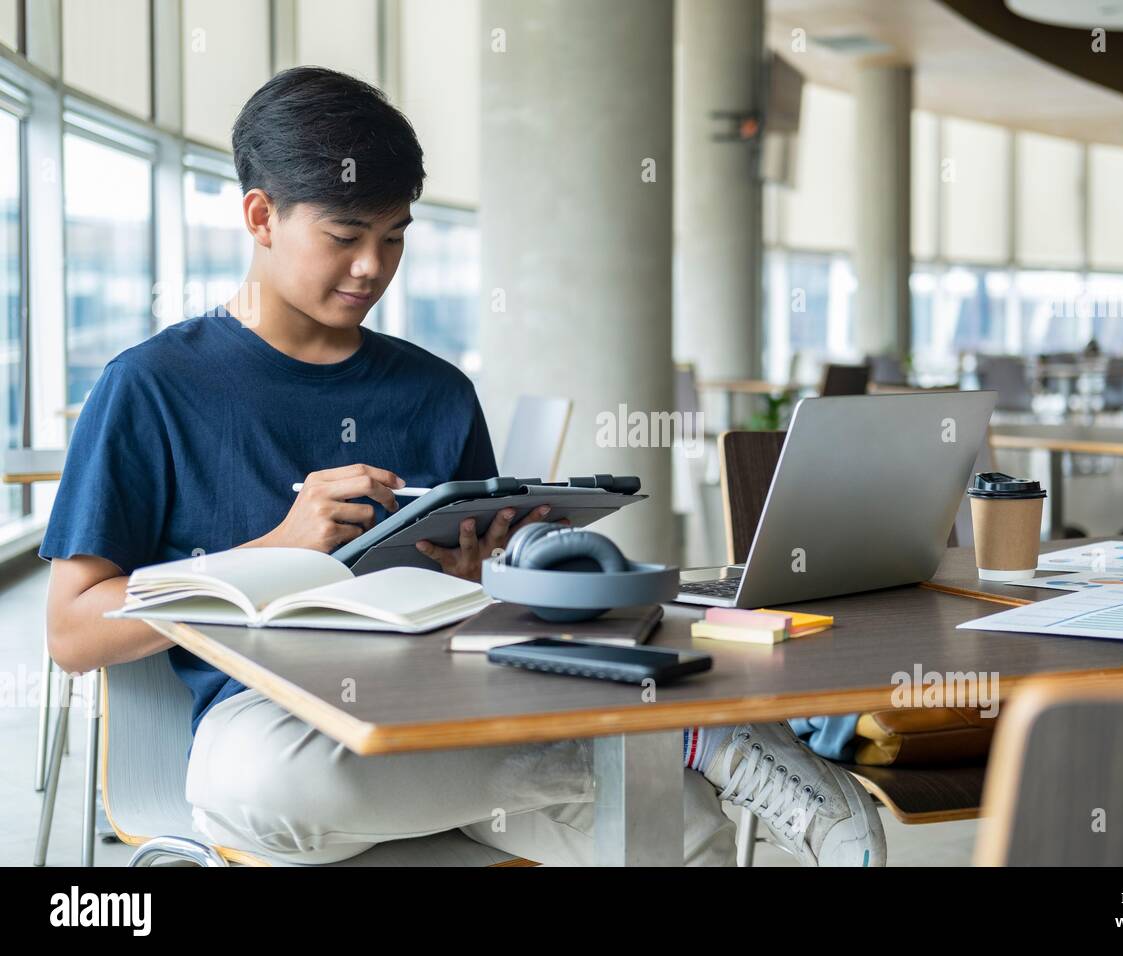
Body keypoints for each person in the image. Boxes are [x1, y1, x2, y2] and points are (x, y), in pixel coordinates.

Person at [41, 67, 884, 867]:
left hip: (461, 703)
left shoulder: (435, 390)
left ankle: (659, 751)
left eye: (394, 237)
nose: (373, 266)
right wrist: (280, 549)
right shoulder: (150, 387)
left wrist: (491, 575)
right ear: (261, 217)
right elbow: (72, 631)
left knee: (683, 832)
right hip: (281, 726)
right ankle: (676, 741)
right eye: (344, 237)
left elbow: (486, 610)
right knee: (254, 788)